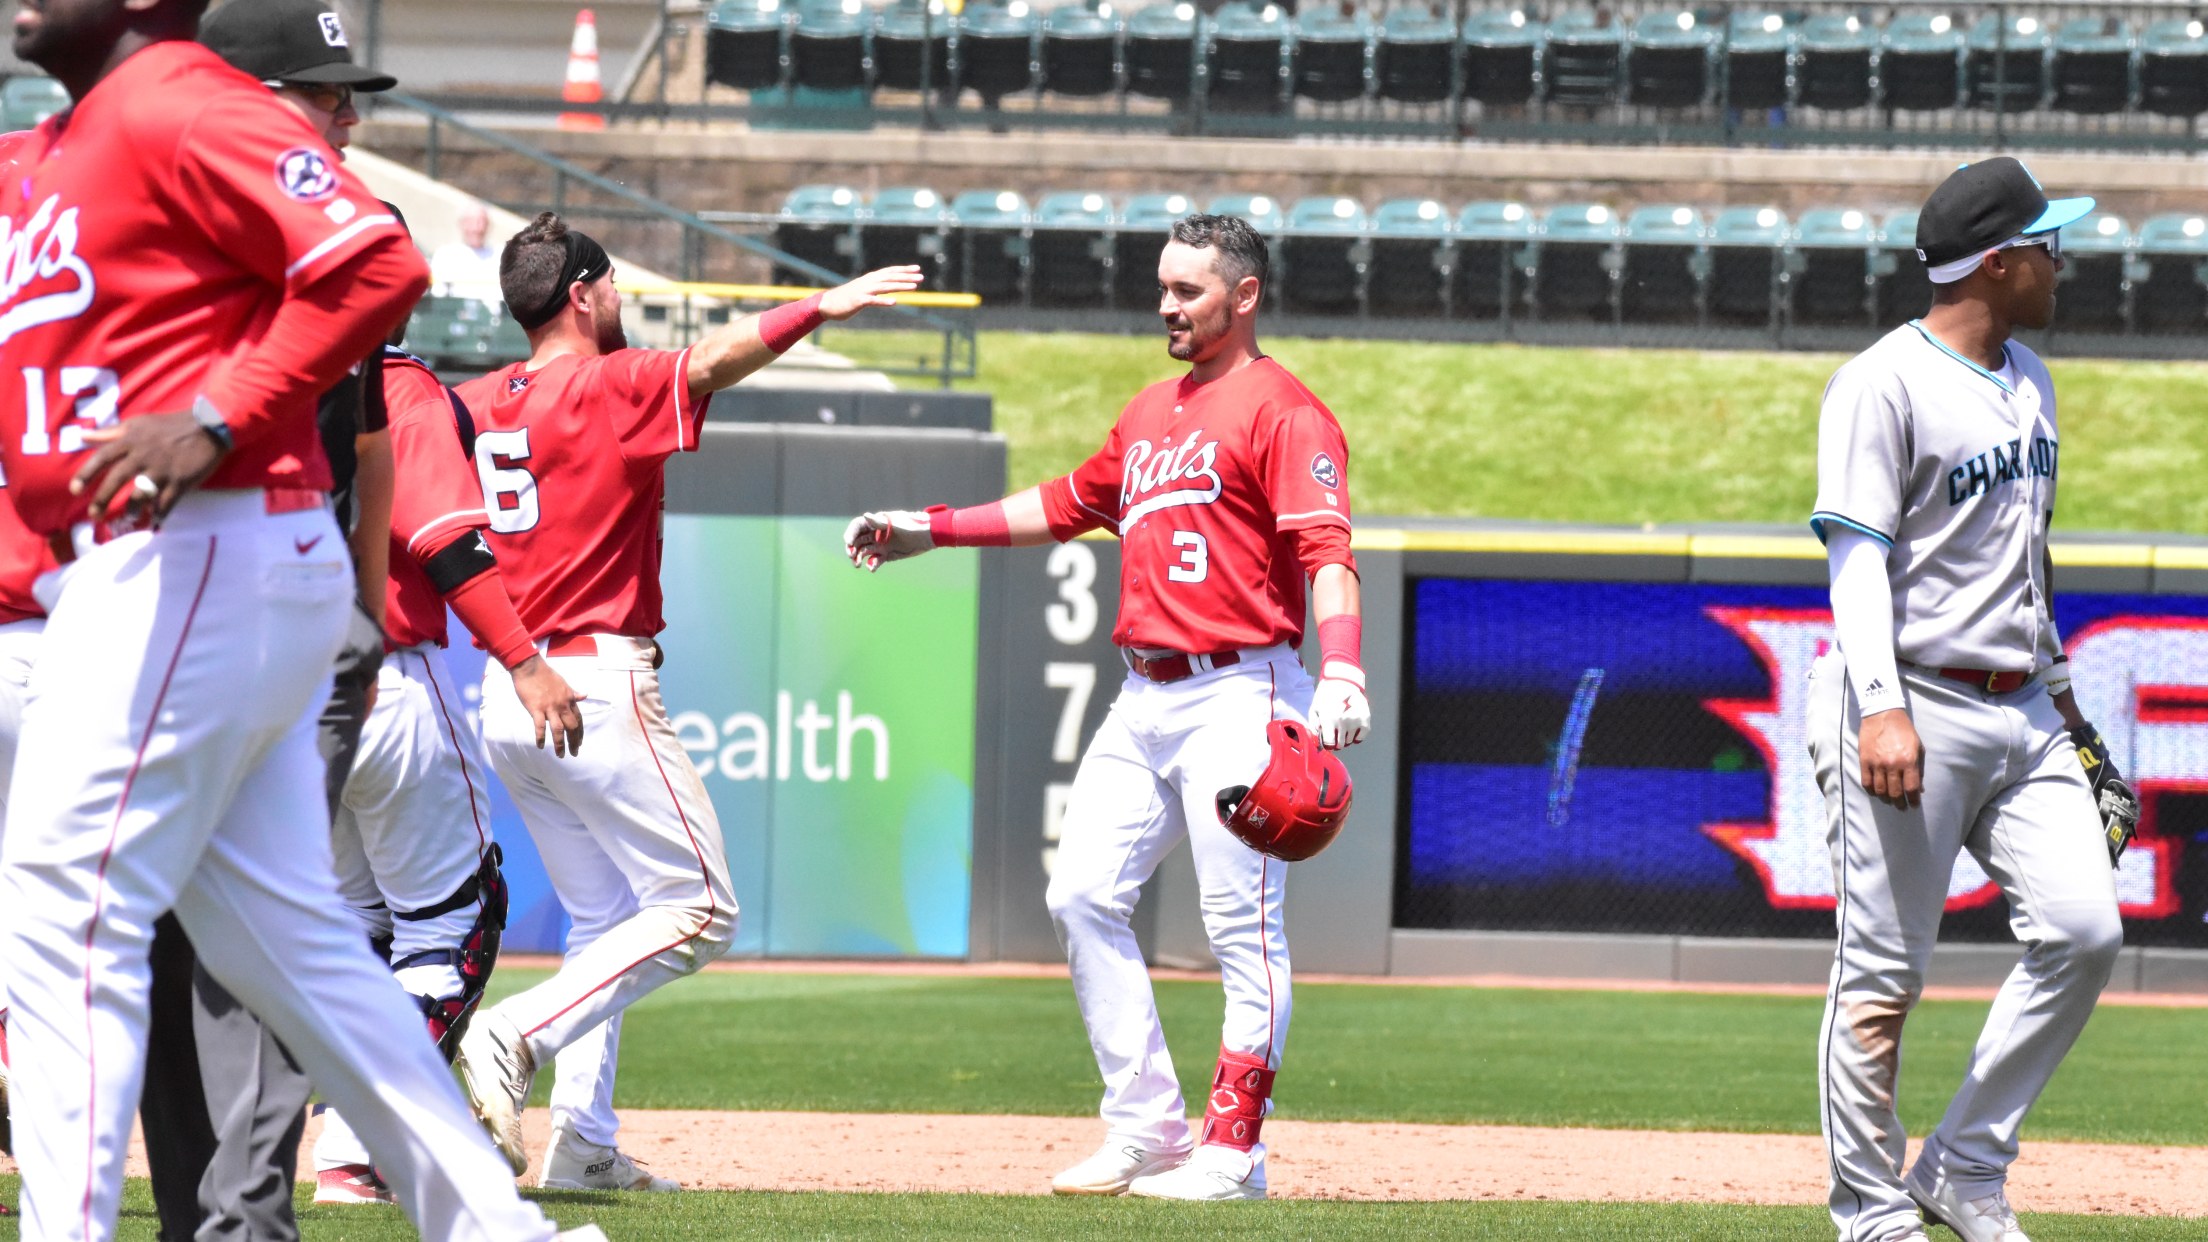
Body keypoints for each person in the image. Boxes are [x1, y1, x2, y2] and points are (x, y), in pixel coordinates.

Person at [0, 0, 590, 1236]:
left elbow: (381, 263)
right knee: (301, 952)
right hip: (183, 566)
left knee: (61, 913)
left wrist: (215, 415)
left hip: (196, 549)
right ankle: (502, 1227)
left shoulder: (179, 99)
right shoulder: (53, 150)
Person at [842, 213, 1372, 1202]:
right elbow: (1063, 503)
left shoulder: (1286, 411)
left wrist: (1342, 673)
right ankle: (1149, 1129)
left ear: (1242, 297)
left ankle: (1235, 1150)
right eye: (1163, 286)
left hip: (1240, 690)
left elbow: (1327, 555)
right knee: (1079, 895)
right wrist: (933, 530)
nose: (1165, 304)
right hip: (1144, 697)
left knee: (1240, 931)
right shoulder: (1148, 412)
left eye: (1188, 291)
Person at [449, 211, 922, 1185]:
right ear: (580, 293)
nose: (622, 299)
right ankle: (511, 1035)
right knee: (701, 910)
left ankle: (583, 1145)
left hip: (507, 689)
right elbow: (711, 361)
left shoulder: (477, 399)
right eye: (613, 283)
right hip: (594, 687)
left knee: (605, 917)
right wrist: (820, 305)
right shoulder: (607, 380)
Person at [1808, 157, 2133, 1242]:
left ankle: (1963, 1165)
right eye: (2048, 243)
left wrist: (2073, 718)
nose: (2061, 260)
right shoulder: (1880, 381)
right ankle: (1870, 1214)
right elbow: (1856, 561)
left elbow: (2026, 570)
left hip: (2021, 708)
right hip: (1913, 700)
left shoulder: (2031, 375)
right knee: (1883, 975)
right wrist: (1878, 705)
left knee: (2086, 931)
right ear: (1999, 262)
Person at [133, 4, 414, 1237]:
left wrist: (362, 606)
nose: (349, 114)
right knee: (155, 940)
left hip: (297, 615)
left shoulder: (352, 236)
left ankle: (248, 1222)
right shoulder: (139, 229)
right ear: (245, 96)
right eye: (326, 91)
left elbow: (370, 437)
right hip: (153, 617)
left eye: (351, 94)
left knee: (267, 918)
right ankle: (206, 1217)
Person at [313, 219, 589, 1205]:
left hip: (285, 697)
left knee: (351, 932)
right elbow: (444, 540)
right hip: (386, 679)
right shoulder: (395, 384)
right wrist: (522, 660)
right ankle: (357, 1139)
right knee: (458, 928)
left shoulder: (258, 374)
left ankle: (315, 1142)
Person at [431, 199, 502, 299]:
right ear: (461, 224)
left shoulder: (499, 256)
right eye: (470, 222)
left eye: (481, 222)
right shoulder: (445, 255)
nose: (476, 228)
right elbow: (439, 294)